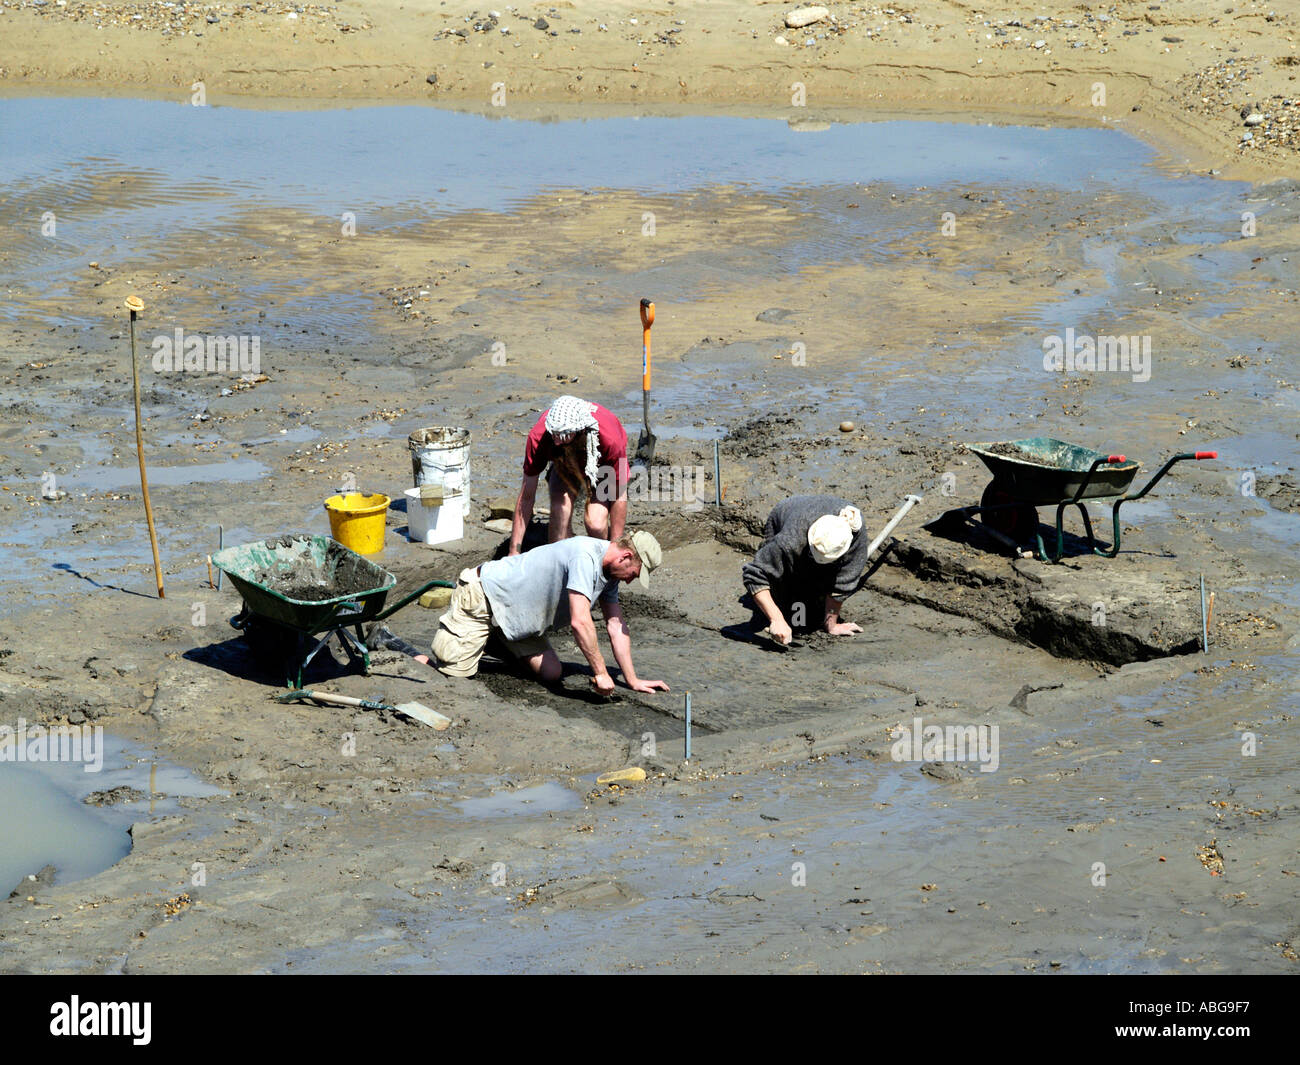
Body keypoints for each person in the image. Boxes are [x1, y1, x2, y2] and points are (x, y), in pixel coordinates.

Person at [423, 529, 669, 695]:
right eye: (634, 574)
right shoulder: (585, 557)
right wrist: (601, 673)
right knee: (452, 680)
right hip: (483, 596)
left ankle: (489, 639)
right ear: (625, 556)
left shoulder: (611, 576)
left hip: (514, 616)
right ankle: (410, 656)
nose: (630, 581)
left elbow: (616, 626)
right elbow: (580, 622)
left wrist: (632, 679)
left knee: (552, 672)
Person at [740, 494, 871, 645]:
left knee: (813, 584)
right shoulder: (789, 541)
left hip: (820, 512)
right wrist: (776, 619)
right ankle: (783, 612)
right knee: (783, 584)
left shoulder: (855, 534)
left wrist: (832, 625)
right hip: (787, 513)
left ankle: (801, 611)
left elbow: (843, 582)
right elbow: (754, 574)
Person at [509, 395, 630, 555]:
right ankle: (561, 560)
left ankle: (600, 559)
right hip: (564, 462)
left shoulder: (610, 440)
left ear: (581, 430)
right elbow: (527, 496)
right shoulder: (539, 437)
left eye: (564, 435)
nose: (558, 441)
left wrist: (616, 547)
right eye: (554, 435)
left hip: (600, 465)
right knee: (560, 514)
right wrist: (514, 550)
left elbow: (619, 493)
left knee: (595, 524)